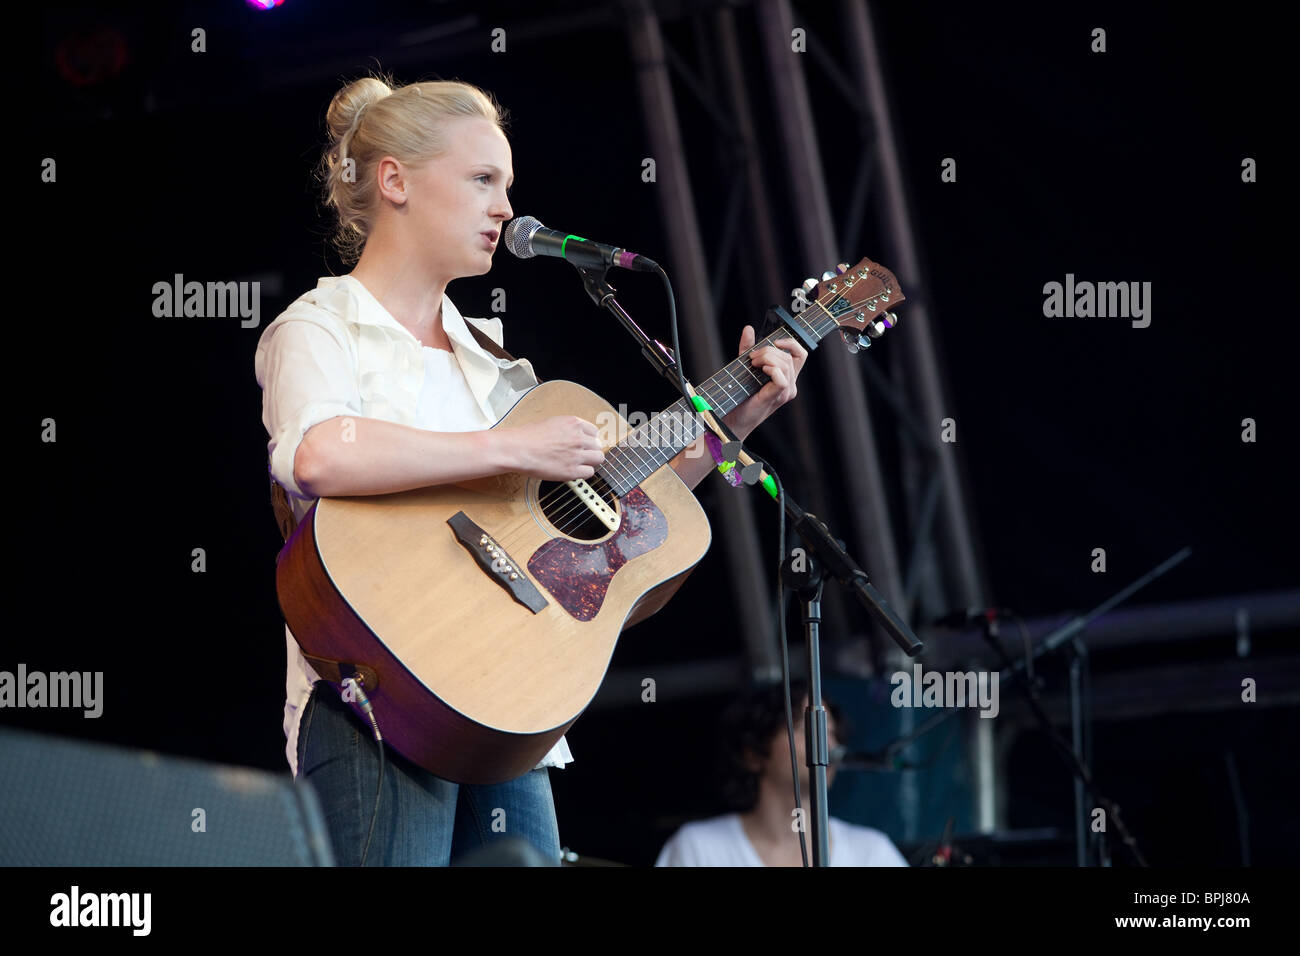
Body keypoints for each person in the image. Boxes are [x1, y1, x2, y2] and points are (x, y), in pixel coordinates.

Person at [254, 73, 808, 866]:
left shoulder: (496, 362)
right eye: (483, 179)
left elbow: (611, 510)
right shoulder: (317, 327)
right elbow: (318, 455)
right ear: (396, 181)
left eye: (507, 185)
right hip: (379, 687)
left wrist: (735, 421)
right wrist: (513, 449)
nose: (506, 209)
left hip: (507, 699)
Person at [656, 681, 908, 866]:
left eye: (831, 733)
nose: (827, 744)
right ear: (753, 754)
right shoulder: (698, 848)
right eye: (805, 728)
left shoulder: (871, 852)